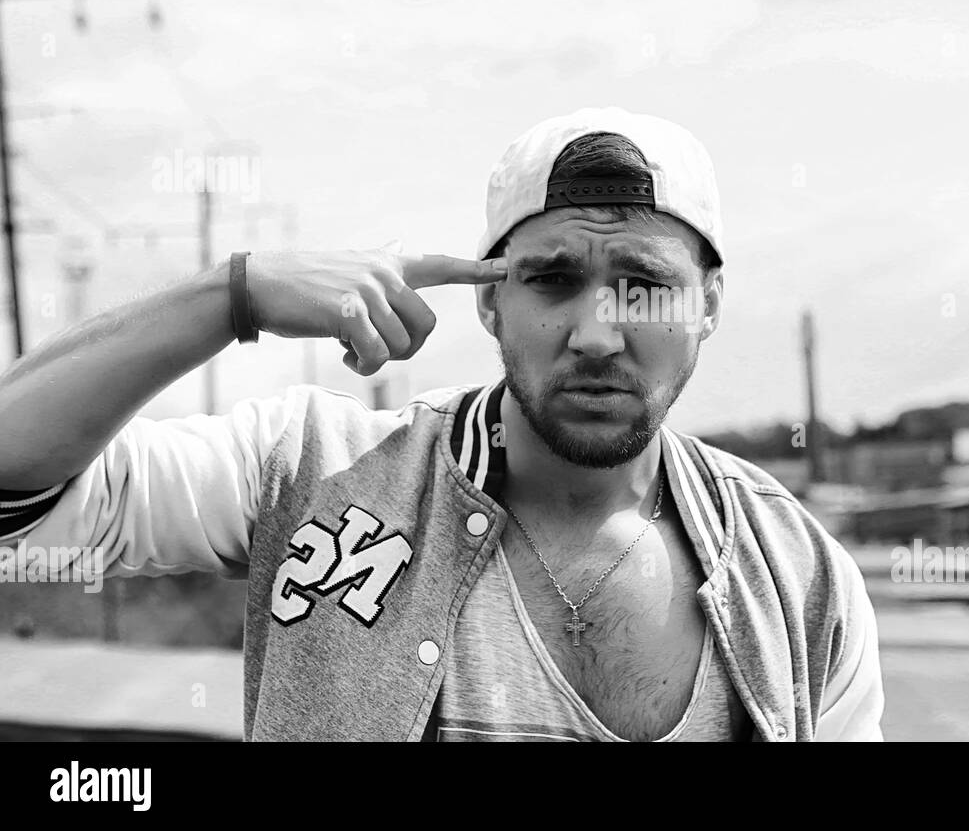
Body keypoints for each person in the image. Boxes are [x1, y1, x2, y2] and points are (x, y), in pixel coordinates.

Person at [0, 106, 884, 741]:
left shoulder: (799, 581)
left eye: (643, 283)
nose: (596, 334)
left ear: (708, 305)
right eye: (552, 279)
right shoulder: (315, 474)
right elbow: (16, 489)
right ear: (492, 301)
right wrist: (234, 292)